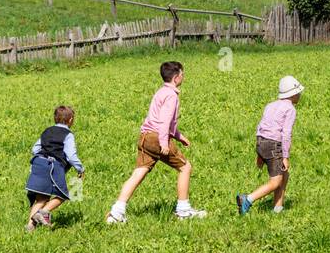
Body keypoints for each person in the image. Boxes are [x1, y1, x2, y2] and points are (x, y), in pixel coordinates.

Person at [106, 61, 206, 223]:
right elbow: (164, 122)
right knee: (185, 168)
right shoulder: (172, 96)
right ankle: (183, 210)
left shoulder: (160, 92)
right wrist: (164, 143)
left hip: (145, 136)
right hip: (157, 138)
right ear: (175, 78)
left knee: (139, 172)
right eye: (182, 74)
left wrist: (180, 137)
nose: (183, 76)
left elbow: (159, 119)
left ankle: (116, 212)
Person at [238, 76, 303, 215]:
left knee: (284, 174)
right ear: (293, 94)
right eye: (298, 93)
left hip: (261, 141)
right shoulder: (290, 109)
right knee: (276, 181)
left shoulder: (270, 105)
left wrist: (259, 154)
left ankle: (278, 208)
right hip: (274, 146)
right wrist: (285, 156)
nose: (300, 95)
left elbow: (260, 126)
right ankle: (248, 199)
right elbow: (286, 134)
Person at [26, 105, 84, 231]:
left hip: (38, 163)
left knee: (41, 198)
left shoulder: (47, 131)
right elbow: (71, 155)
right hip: (52, 166)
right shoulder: (68, 134)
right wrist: (80, 168)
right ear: (70, 120)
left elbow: (35, 149)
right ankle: (43, 212)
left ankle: (30, 227)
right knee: (63, 195)